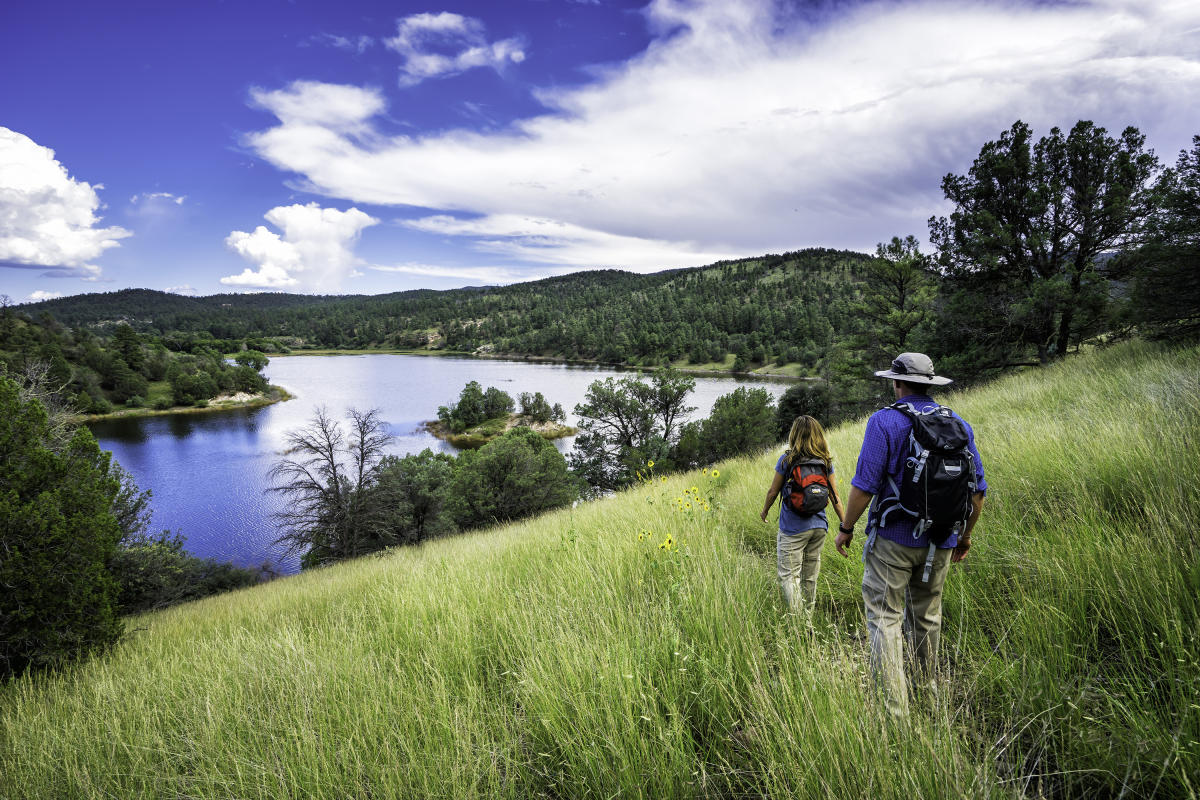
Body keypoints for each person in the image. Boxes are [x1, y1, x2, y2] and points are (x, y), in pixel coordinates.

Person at [834, 352, 986, 718]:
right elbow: (978, 492)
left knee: (885, 618)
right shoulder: (958, 424)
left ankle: (895, 714)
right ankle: (926, 698)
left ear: (897, 382)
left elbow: (864, 486)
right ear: (929, 385)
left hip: (893, 540)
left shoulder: (884, 421)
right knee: (927, 617)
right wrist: (964, 536)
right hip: (942, 541)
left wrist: (846, 528)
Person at [760, 415, 846, 620]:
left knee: (789, 576)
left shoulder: (787, 460)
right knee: (810, 577)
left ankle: (799, 624)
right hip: (819, 527)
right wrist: (845, 525)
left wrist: (765, 511)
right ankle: (808, 620)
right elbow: (835, 497)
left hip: (793, 528)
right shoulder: (825, 461)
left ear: (794, 435)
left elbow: (773, 491)